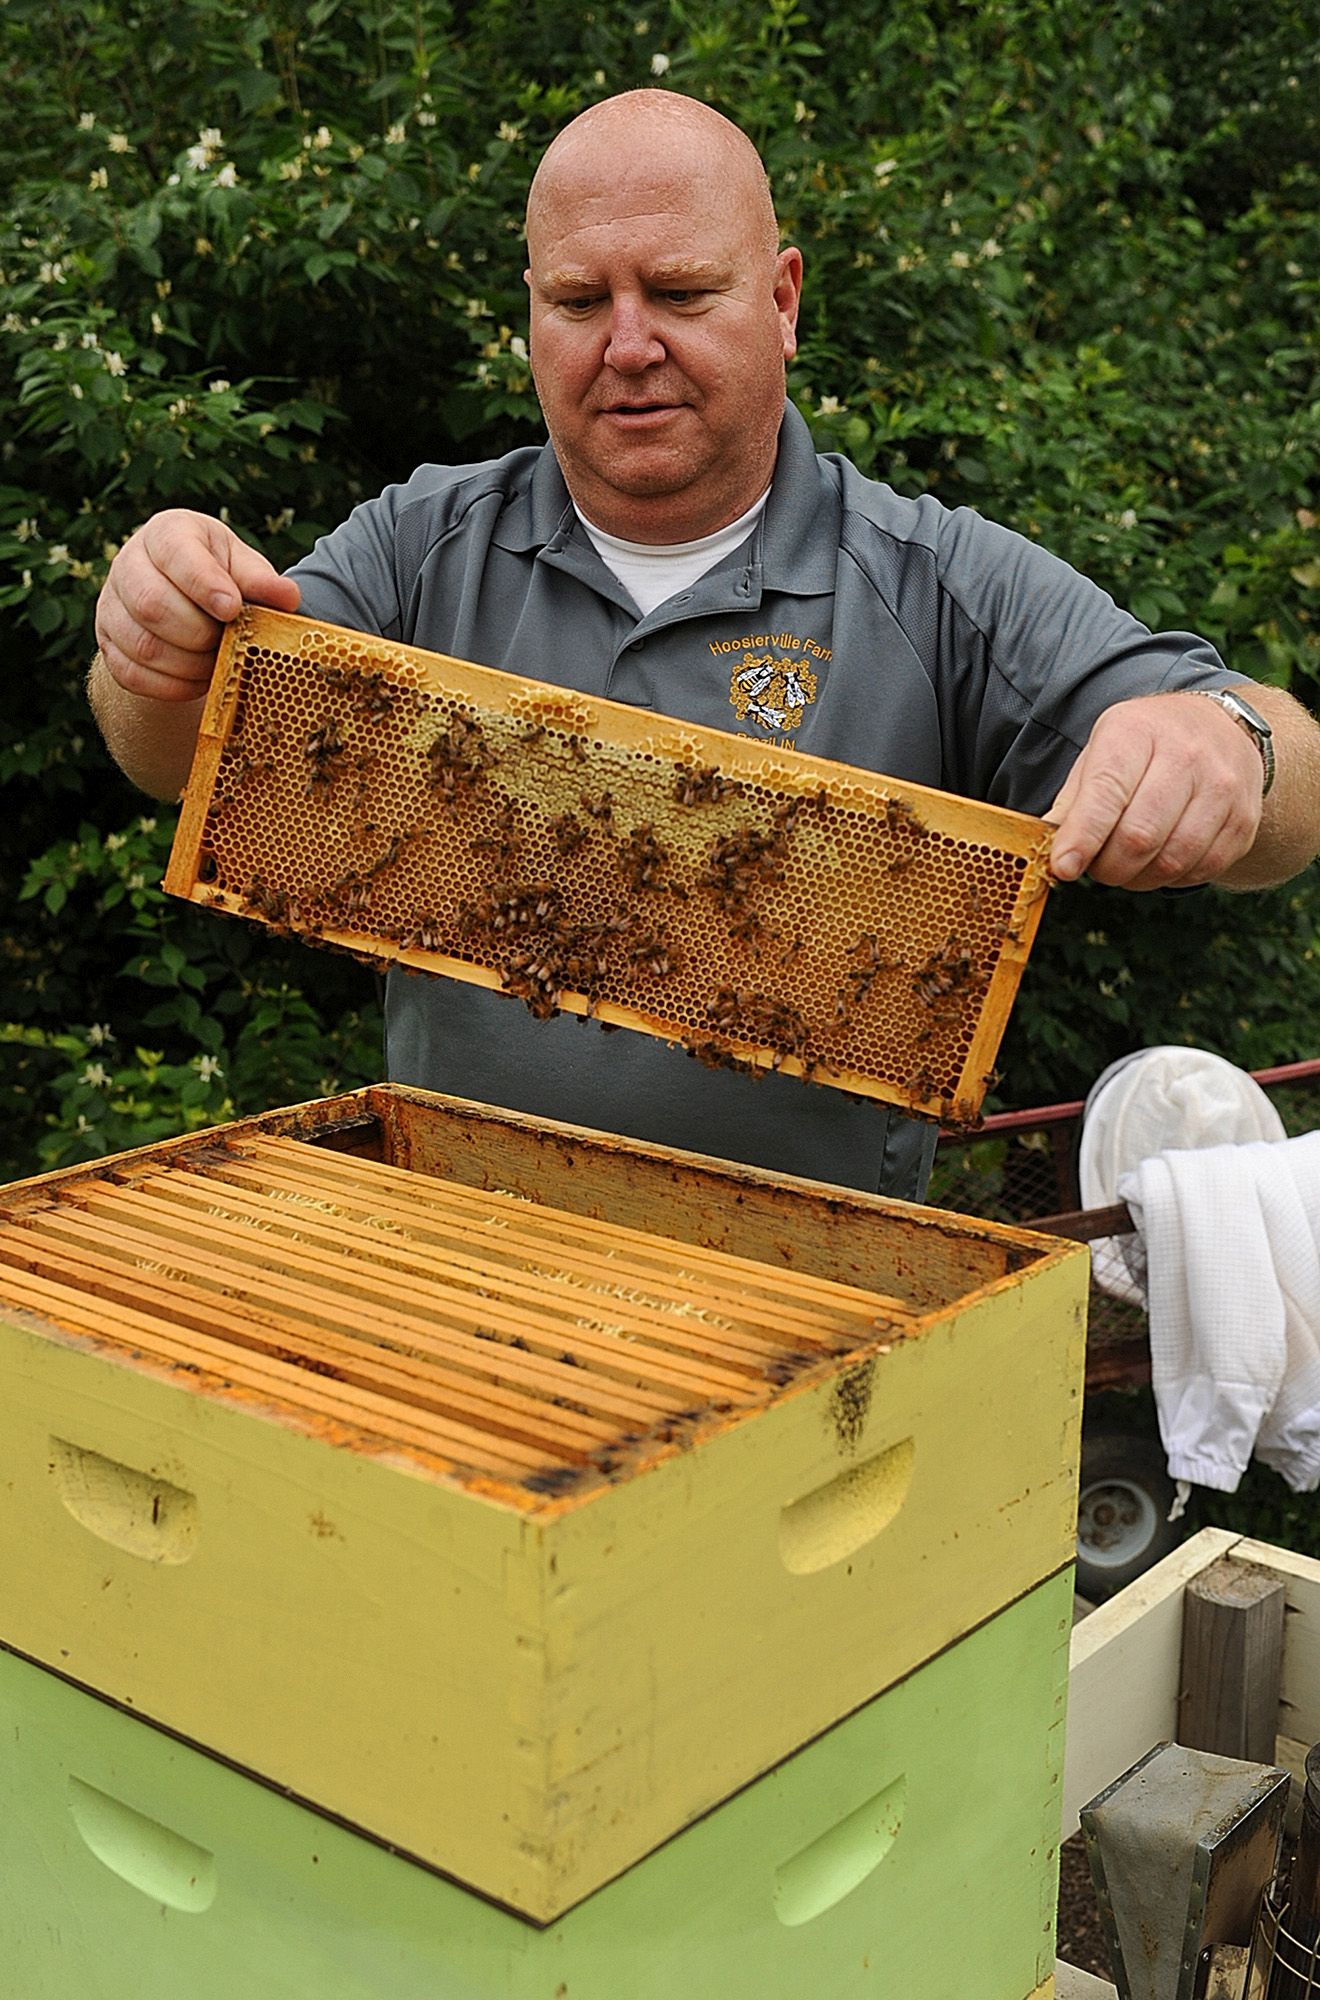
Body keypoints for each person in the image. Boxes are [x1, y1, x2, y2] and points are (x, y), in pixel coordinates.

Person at [89, 90, 1320, 1201]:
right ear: (531, 314)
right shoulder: (422, 543)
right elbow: (182, 751)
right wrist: (155, 650)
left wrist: (1230, 741)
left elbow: (1293, 794)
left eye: (680, 294)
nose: (628, 346)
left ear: (782, 302)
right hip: (455, 1255)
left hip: (809, 1295)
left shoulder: (935, 582)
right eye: (579, 302)